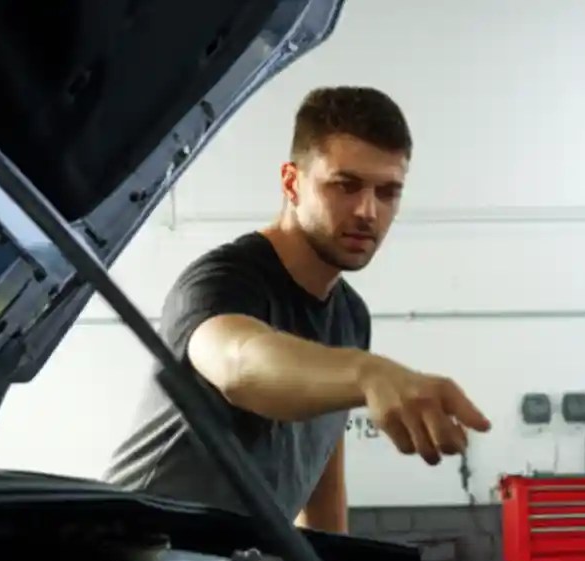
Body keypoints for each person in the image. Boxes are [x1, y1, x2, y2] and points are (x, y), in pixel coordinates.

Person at [103, 86, 490, 533]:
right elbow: (239, 365)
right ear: (291, 182)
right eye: (345, 185)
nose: (368, 211)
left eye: (387, 192)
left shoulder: (350, 316)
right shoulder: (222, 281)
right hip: (134, 557)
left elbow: (322, 484)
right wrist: (366, 373)